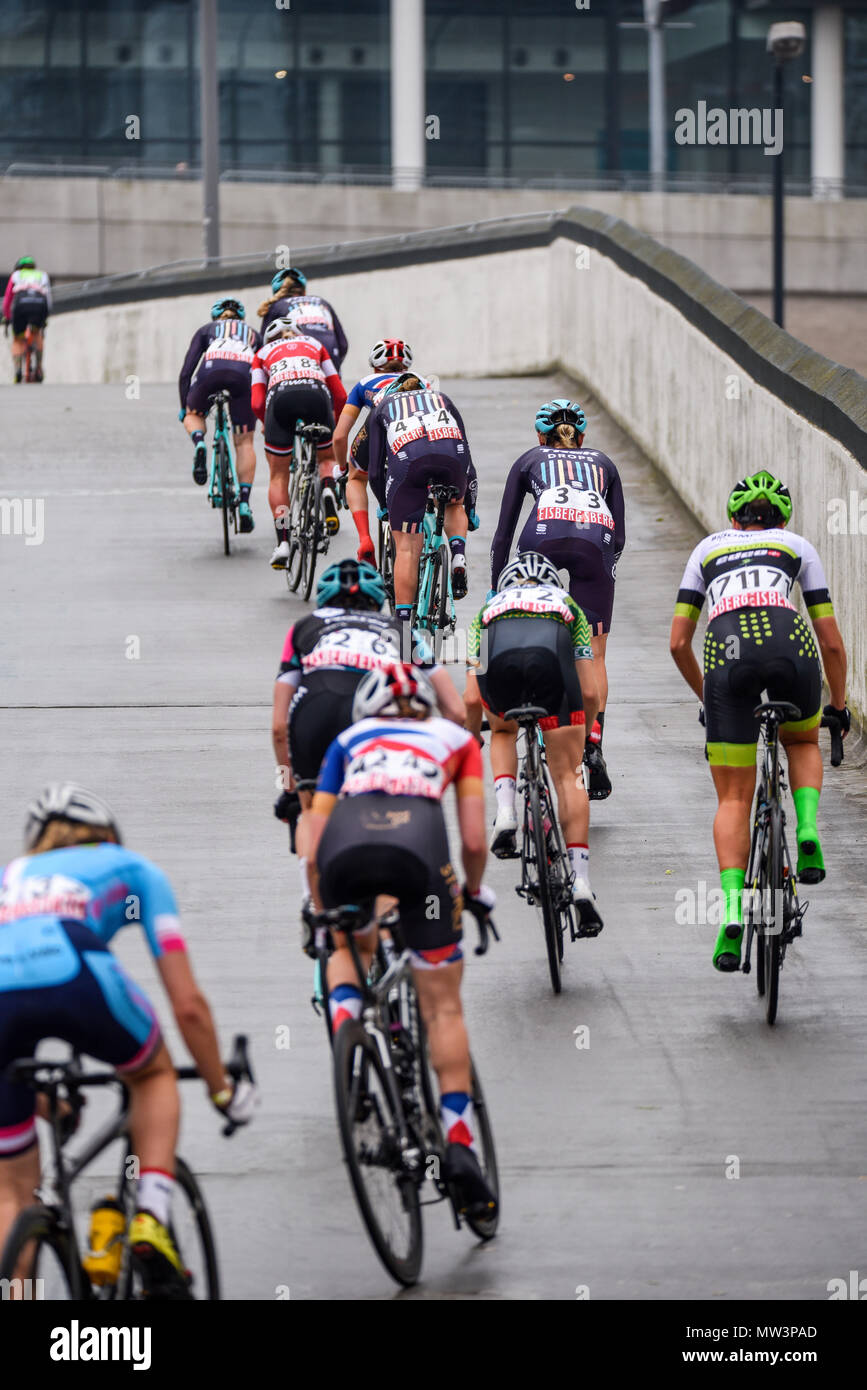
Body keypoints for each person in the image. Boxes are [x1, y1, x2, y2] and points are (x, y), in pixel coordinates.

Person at [0, 784, 257, 1297]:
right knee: (153, 1072)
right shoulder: (132, 867)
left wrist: (46, 1103)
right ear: (106, 833)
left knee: (13, 1195)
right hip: (74, 963)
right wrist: (220, 1088)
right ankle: (151, 1218)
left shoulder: (11, 878)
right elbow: (187, 1004)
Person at [306, 663, 498, 1219]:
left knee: (347, 944)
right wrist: (474, 890)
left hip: (344, 850)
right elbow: (472, 839)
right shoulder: (457, 740)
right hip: (419, 850)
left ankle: (348, 1028)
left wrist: (323, 912)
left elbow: (315, 839)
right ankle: (459, 1144)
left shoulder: (347, 739)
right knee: (441, 1008)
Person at [669, 471, 850, 972]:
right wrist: (838, 704)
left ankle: (731, 909)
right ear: (783, 519)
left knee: (733, 797)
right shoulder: (796, 545)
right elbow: (830, 639)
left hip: (726, 649)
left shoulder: (707, 549)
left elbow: (678, 642)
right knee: (803, 742)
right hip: (790, 644)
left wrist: (708, 694)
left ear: (733, 519)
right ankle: (808, 829)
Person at [272, 559, 466, 910]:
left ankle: (315, 906)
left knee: (310, 809)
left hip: (313, 714)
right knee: (383, 811)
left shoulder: (304, 627)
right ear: (378, 601)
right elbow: (454, 709)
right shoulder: (400, 629)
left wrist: (288, 786)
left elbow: (278, 728)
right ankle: (385, 919)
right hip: (374, 718)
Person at [490, 399, 625, 800]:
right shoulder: (605, 463)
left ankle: (532, 708)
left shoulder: (530, 458)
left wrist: (499, 590)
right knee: (595, 655)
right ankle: (594, 742)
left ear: (540, 436)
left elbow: (503, 534)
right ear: (582, 437)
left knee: (529, 626)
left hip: (540, 540)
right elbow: (618, 539)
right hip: (596, 544)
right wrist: (601, 569)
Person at [464, 551, 603, 931]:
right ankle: (581, 883)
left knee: (504, 731)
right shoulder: (566, 604)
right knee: (570, 777)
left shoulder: (488, 608)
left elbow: (472, 698)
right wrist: (581, 736)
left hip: (502, 667)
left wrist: (472, 736)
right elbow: (590, 692)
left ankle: (506, 812)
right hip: (553, 672)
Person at [356, 374, 479, 618]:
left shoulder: (383, 406)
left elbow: (375, 473)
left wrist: (385, 505)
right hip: (452, 459)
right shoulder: (441, 398)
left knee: (407, 549)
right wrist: (471, 508)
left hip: (409, 464)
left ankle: (402, 628)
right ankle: (458, 555)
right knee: (454, 505)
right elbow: (469, 464)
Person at [251, 318, 347, 568]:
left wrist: (266, 423)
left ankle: (283, 542)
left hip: (280, 400)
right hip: (317, 395)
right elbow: (339, 393)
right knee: (326, 458)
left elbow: (257, 403)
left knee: (279, 477)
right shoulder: (314, 343)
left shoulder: (262, 352)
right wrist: (334, 420)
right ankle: (327, 488)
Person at [178, 298, 260, 532]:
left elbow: (186, 372)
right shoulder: (253, 333)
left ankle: (199, 443)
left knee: (194, 415)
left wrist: (185, 407)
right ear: (240, 318)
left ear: (216, 316)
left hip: (210, 373)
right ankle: (244, 503)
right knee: (244, 442)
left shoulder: (206, 330)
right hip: (244, 376)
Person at [333, 339, 418, 562]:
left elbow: (340, 435)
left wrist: (343, 469)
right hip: (416, 438)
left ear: (375, 365)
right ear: (406, 365)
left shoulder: (365, 383)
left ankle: (365, 540)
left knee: (356, 478)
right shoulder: (422, 382)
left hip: (378, 431)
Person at [257, 267, 348, 373]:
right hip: (330, 354)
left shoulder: (276, 306)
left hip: (300, 357)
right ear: (304, 290)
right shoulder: (323, 302)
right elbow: (343, 344)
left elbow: (263, 347)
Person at [2, 256, 52, 383]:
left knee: (18, 340)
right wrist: (45, 317)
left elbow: (8, 299)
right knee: (36, 333)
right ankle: (39, 367)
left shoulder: (16, 275)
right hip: (39, 305)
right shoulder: (42, 275)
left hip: (21, 305)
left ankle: (18, 370)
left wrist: (7, 317)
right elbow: (48, 298)